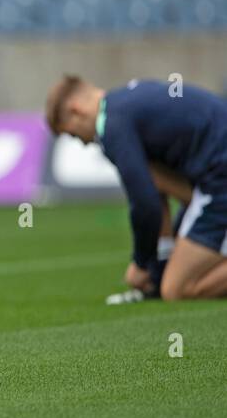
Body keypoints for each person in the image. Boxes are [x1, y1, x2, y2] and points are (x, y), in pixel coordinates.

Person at [47, 75, 227, 301]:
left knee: (176, 289)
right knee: (168, 274)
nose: (82, 143)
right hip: (213, 175)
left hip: (219, 180)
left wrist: (140, 263)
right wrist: (158, 263)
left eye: (73, 134)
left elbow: (145, 203)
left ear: (76, 110)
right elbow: (156, 184)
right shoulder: (128, 98)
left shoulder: (112, 125)